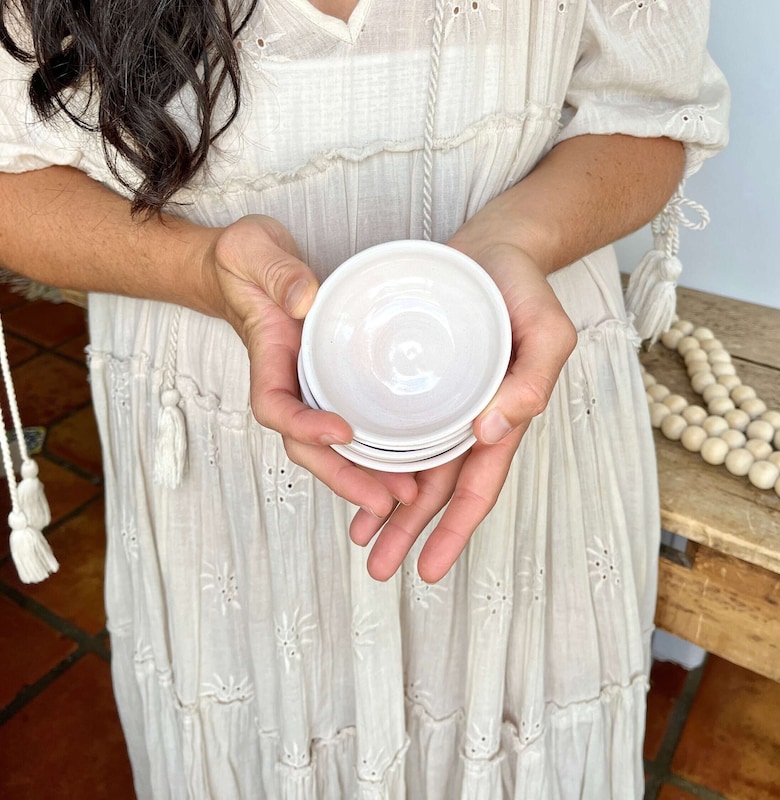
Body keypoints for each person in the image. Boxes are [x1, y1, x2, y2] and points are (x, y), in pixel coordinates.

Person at [0, 0, 729, 797]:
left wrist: (519, 238)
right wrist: (199, 269)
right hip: (224, 453)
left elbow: (650, 107)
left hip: (521, 408)